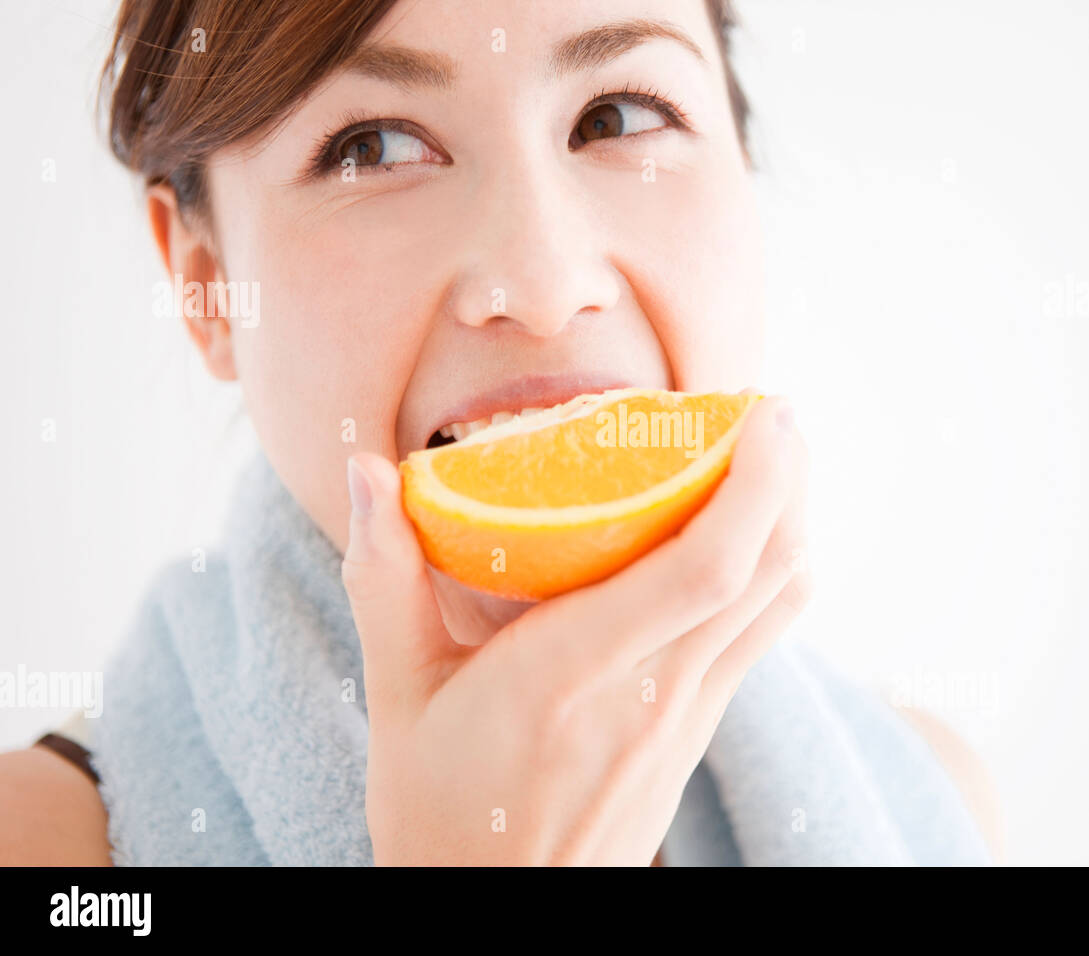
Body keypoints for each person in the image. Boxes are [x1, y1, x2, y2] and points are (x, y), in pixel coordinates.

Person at [0, 0, 1001, 865]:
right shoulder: (41, 838)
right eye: (373, 146)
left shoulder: (930, 802)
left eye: (618, 115)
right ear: (208, 287)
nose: (543, 282)